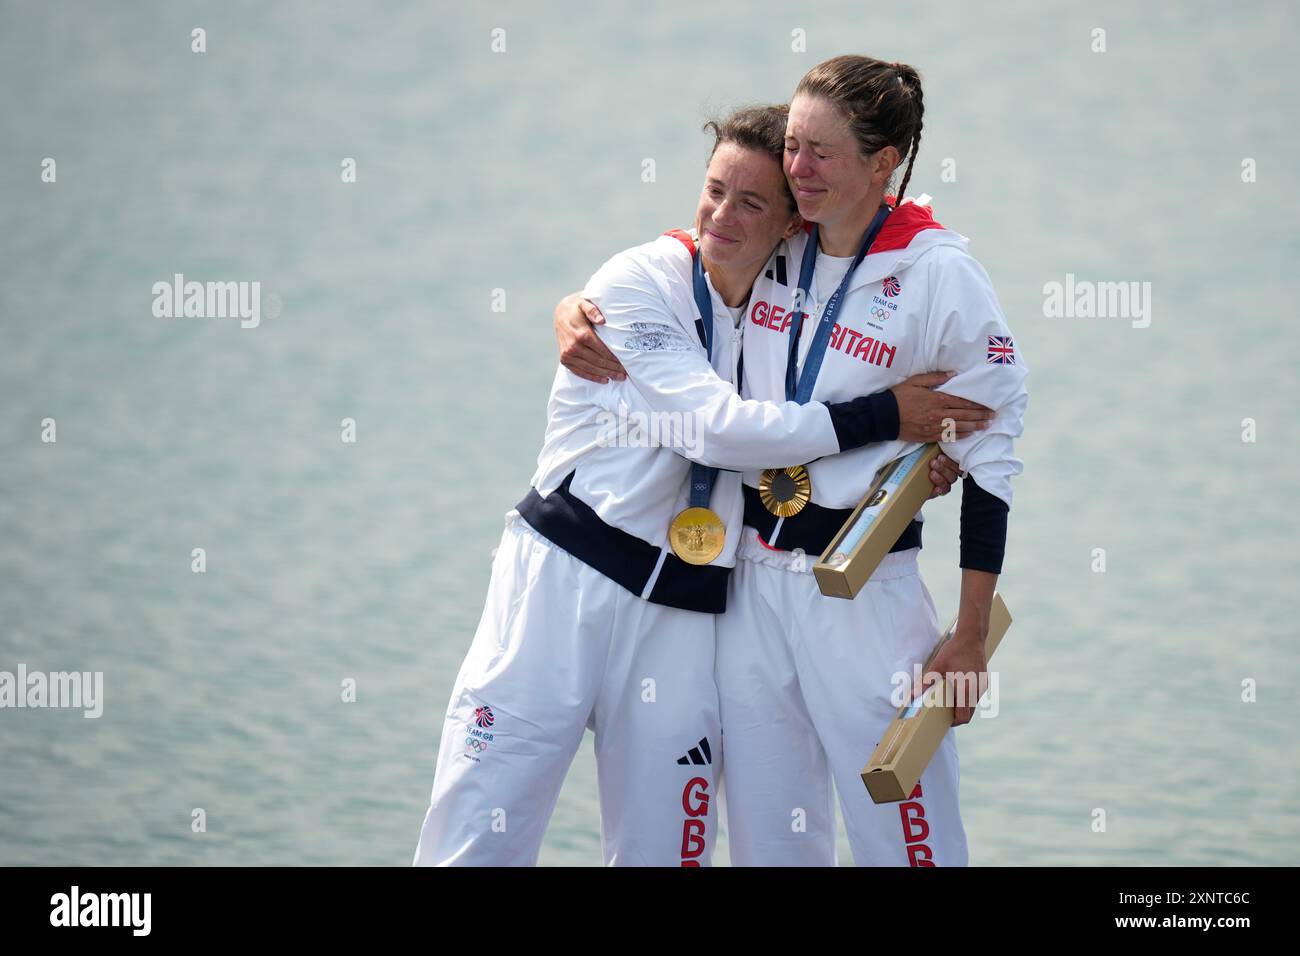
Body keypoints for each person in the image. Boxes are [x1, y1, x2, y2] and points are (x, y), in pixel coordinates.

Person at [412, 104, 987, 867]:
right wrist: (886, 415)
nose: (721, 214)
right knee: (478, 836)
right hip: (561, 588)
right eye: (714, 190)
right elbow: (720, 430)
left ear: (791, 227)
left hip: (684, 616)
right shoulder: (635, 280)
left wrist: (921, 459)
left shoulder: (787, 299)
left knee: (666, 854)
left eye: (751, 202)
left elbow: (876, 318)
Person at [554, 55, 1028, 866]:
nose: (796, 169)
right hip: (747, 587)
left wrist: (971, 636)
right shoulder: (782, 234)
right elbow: (698, 240)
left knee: (907, 843)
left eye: (821, 153)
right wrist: (568, 308)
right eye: (795, 146)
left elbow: (990, 452)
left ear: (883, 165)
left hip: (862, 591)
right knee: (771, 847)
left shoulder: (937, 273)